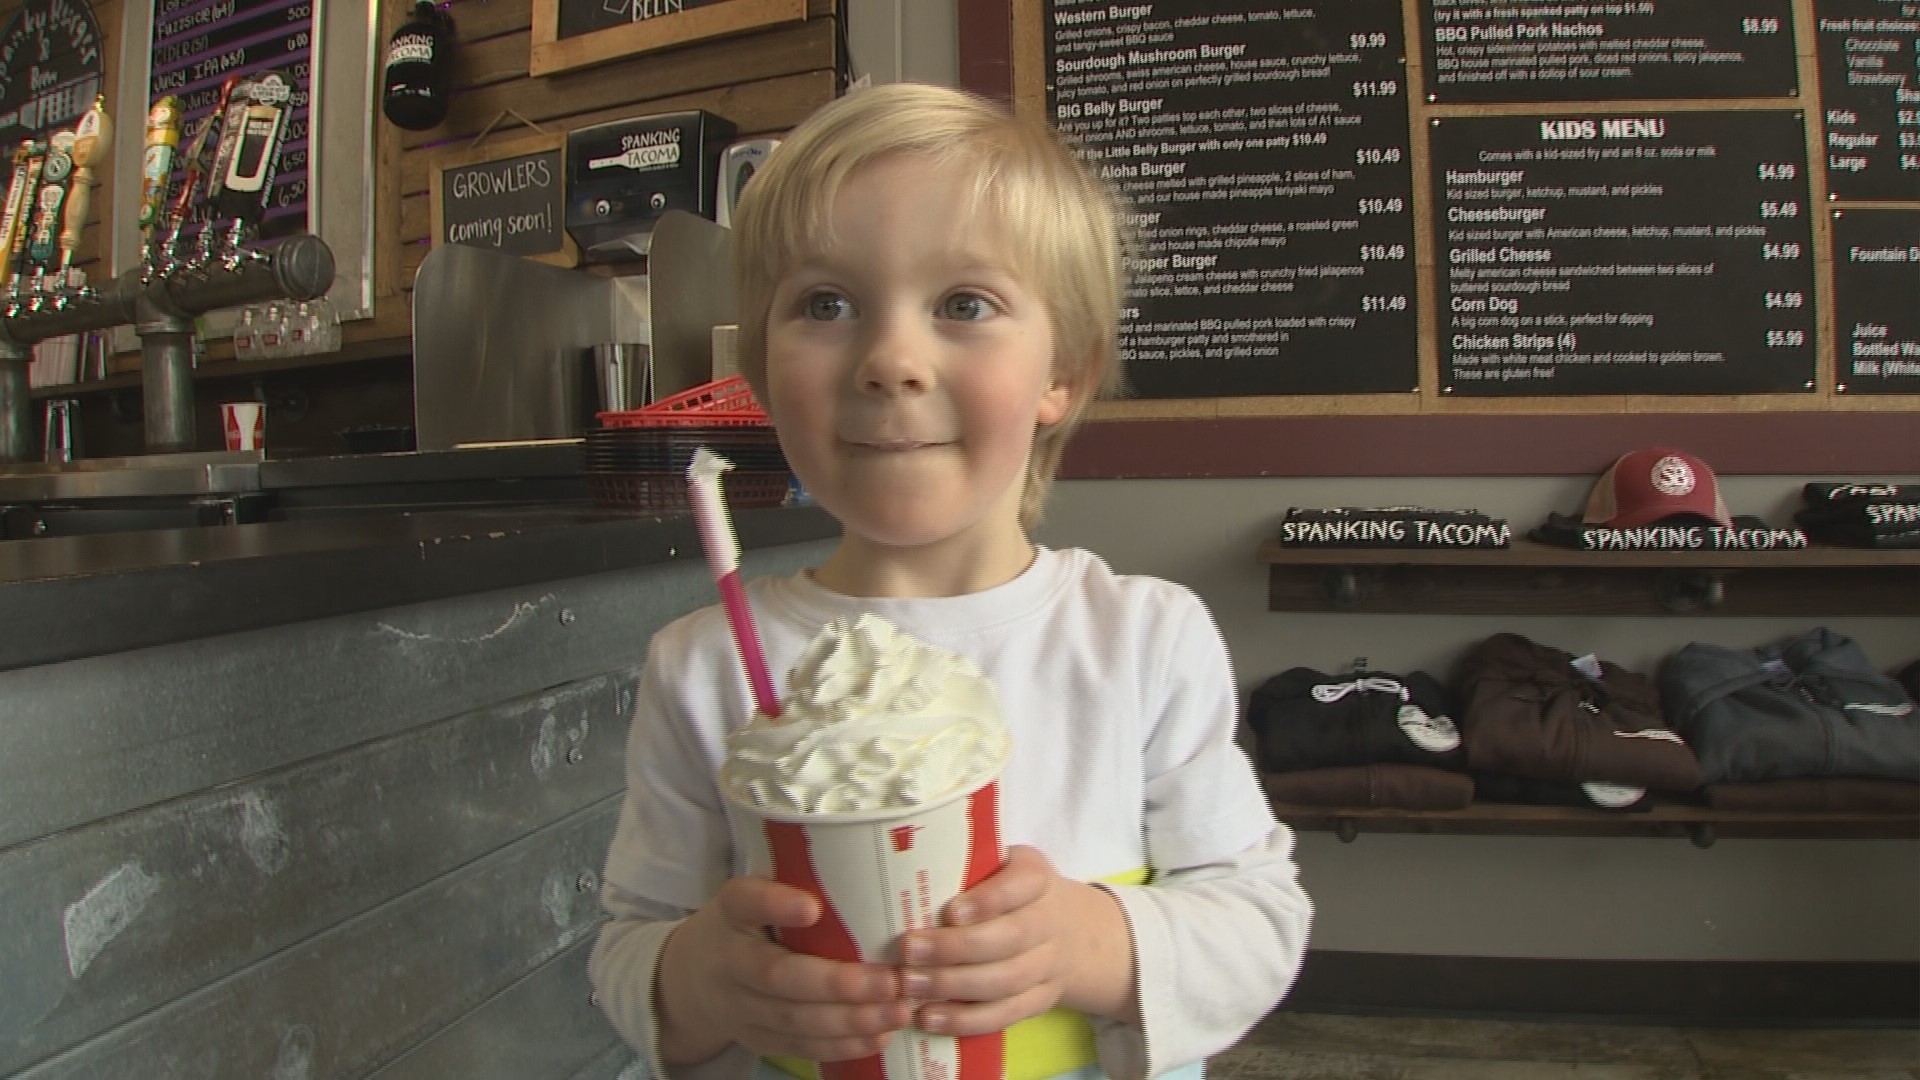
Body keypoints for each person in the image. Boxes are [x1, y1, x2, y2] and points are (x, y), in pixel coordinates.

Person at [589, 82, 1312, 1080]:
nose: (890, 359)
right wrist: (698, 984)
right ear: (761, 374)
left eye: (965, 304)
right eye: (826, 303)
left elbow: (1262, 921)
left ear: (1066, 371)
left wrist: (1089, 944)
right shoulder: (704, 667)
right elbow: (629, 947)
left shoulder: (1143, 641)